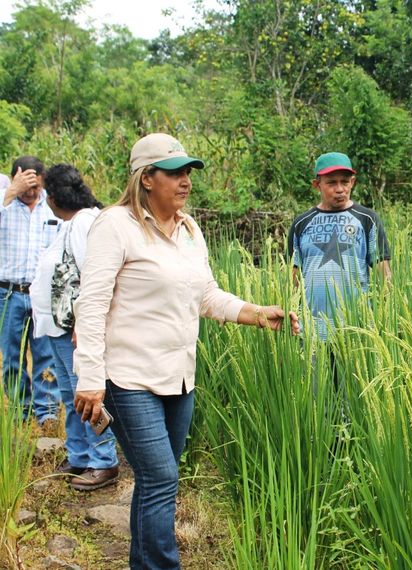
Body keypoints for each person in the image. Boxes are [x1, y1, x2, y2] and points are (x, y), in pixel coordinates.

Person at [72, 133, 300, 569]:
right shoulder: (116, 225)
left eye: (189, 172)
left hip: (179, 377)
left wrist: (257, 314)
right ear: (146, 178)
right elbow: (93, 303)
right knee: (161, 477)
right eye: (175, 172)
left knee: (155, 482)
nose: (186, 181)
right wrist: (90, 378)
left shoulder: (190, 230)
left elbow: (206, 295)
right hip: (129, 376)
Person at [30, 164, 120, 491]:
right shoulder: (71, 223)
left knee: (86, 395)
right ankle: (80, 454)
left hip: (73, 328)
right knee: (71, 396)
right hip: (59, 327)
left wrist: (85, 323)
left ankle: (103, 460)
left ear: (55, 197)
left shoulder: (83, 222)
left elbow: (92, 277)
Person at [287, 152, 391, 343]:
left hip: (356, 331)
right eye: (331, 183)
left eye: (345, 182)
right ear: (317, 185)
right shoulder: (301, 223)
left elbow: (383, 275)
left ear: (352, 182)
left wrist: (388, 316)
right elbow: (294, 277)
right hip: (311, 332)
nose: (340, 189)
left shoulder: (367, 219)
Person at [0, 156, 62, 426]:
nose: (30, 192)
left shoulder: (52, 206)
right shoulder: (5, 204)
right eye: (25, 186)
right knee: (11, 358)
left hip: (43, 293)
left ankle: (47, 412)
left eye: (35, 186)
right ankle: (20, 410)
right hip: (8, 293)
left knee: (45, 354)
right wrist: (11, 192)